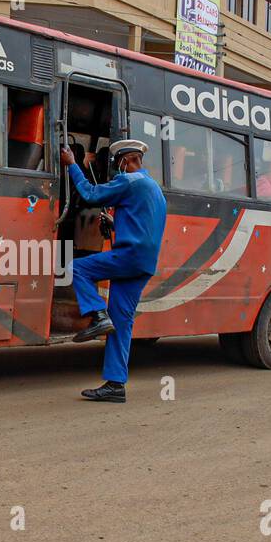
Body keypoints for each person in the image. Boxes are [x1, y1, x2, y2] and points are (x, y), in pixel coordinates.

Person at [59, 139, 167, 403]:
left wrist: (72, 165)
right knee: (121, 323)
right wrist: (115, 222)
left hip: (128, 257)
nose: (117, 169)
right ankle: (116, 385)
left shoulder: (129, 182)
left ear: (128, 160)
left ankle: (97, 315)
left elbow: (91, 194)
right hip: (143, 263)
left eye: (118, 163)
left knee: (77, 268)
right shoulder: (155, 190)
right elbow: (143, 225)